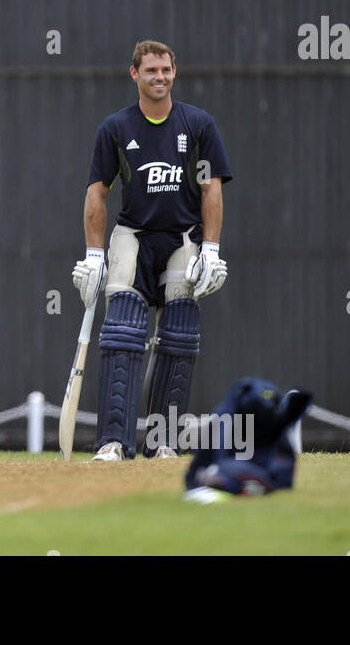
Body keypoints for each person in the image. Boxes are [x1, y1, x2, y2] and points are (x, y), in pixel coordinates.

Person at [72, 40, 231, 461]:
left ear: (174, 71)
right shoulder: (115, 128)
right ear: (134, 74)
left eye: (165, 70)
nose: (159, 77)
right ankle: (113, 442)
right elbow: (97, 193)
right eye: (150, 71)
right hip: (133, 235)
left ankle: (163, 442)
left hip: (183, 238)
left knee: (179, 334)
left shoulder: (198, 125)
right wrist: (93, 256)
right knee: (122, 331)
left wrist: (211, 249)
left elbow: (212, 189)